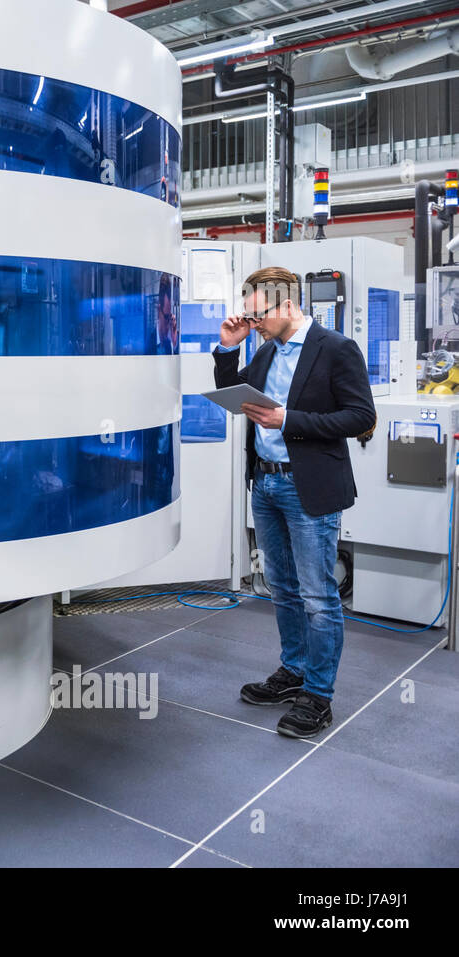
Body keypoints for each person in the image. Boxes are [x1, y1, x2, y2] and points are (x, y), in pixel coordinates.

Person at [215, 267, 376, 738]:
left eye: (258, 314)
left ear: (287, 305)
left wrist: (289, 420)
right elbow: (235, 394)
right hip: (265, 486)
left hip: (308, 489)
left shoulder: (336, 349)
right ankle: (294, 671)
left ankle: (318, 696)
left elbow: (360, 416)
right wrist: (229, 347)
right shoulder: (265, 349)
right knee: (281, 589)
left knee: (319, 597)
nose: (254, 322)